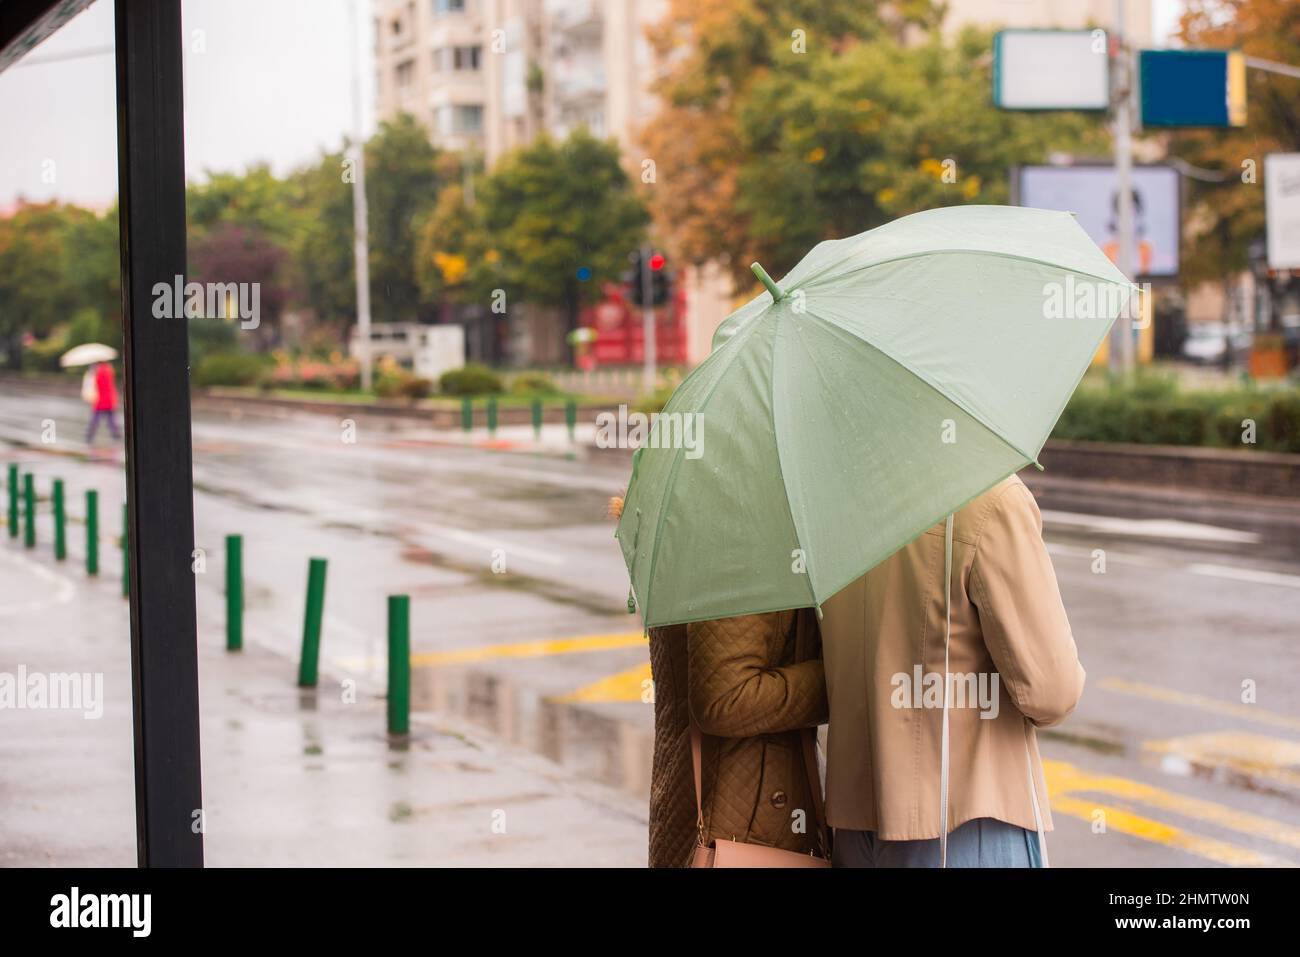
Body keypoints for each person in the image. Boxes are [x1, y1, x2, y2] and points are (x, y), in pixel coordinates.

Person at [819, 475, 1084, 868]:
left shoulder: (836, 502)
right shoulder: (990, 497)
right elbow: (1051, 693)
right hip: (967, 821)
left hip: (854, 824)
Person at [646, 610, 828, 867]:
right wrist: (841, 680)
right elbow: (725, 700)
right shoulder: (743, 568)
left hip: (724, 806)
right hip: (745, 821)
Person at [85, 361, 120, 444]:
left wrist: (91, 373)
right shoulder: (109, 369)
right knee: (111, 418)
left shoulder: (97, 372)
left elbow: (94, 384)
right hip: (110, 399)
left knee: (95, 419)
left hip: (100, 400)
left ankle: (90, 435)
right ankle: (116, 434)